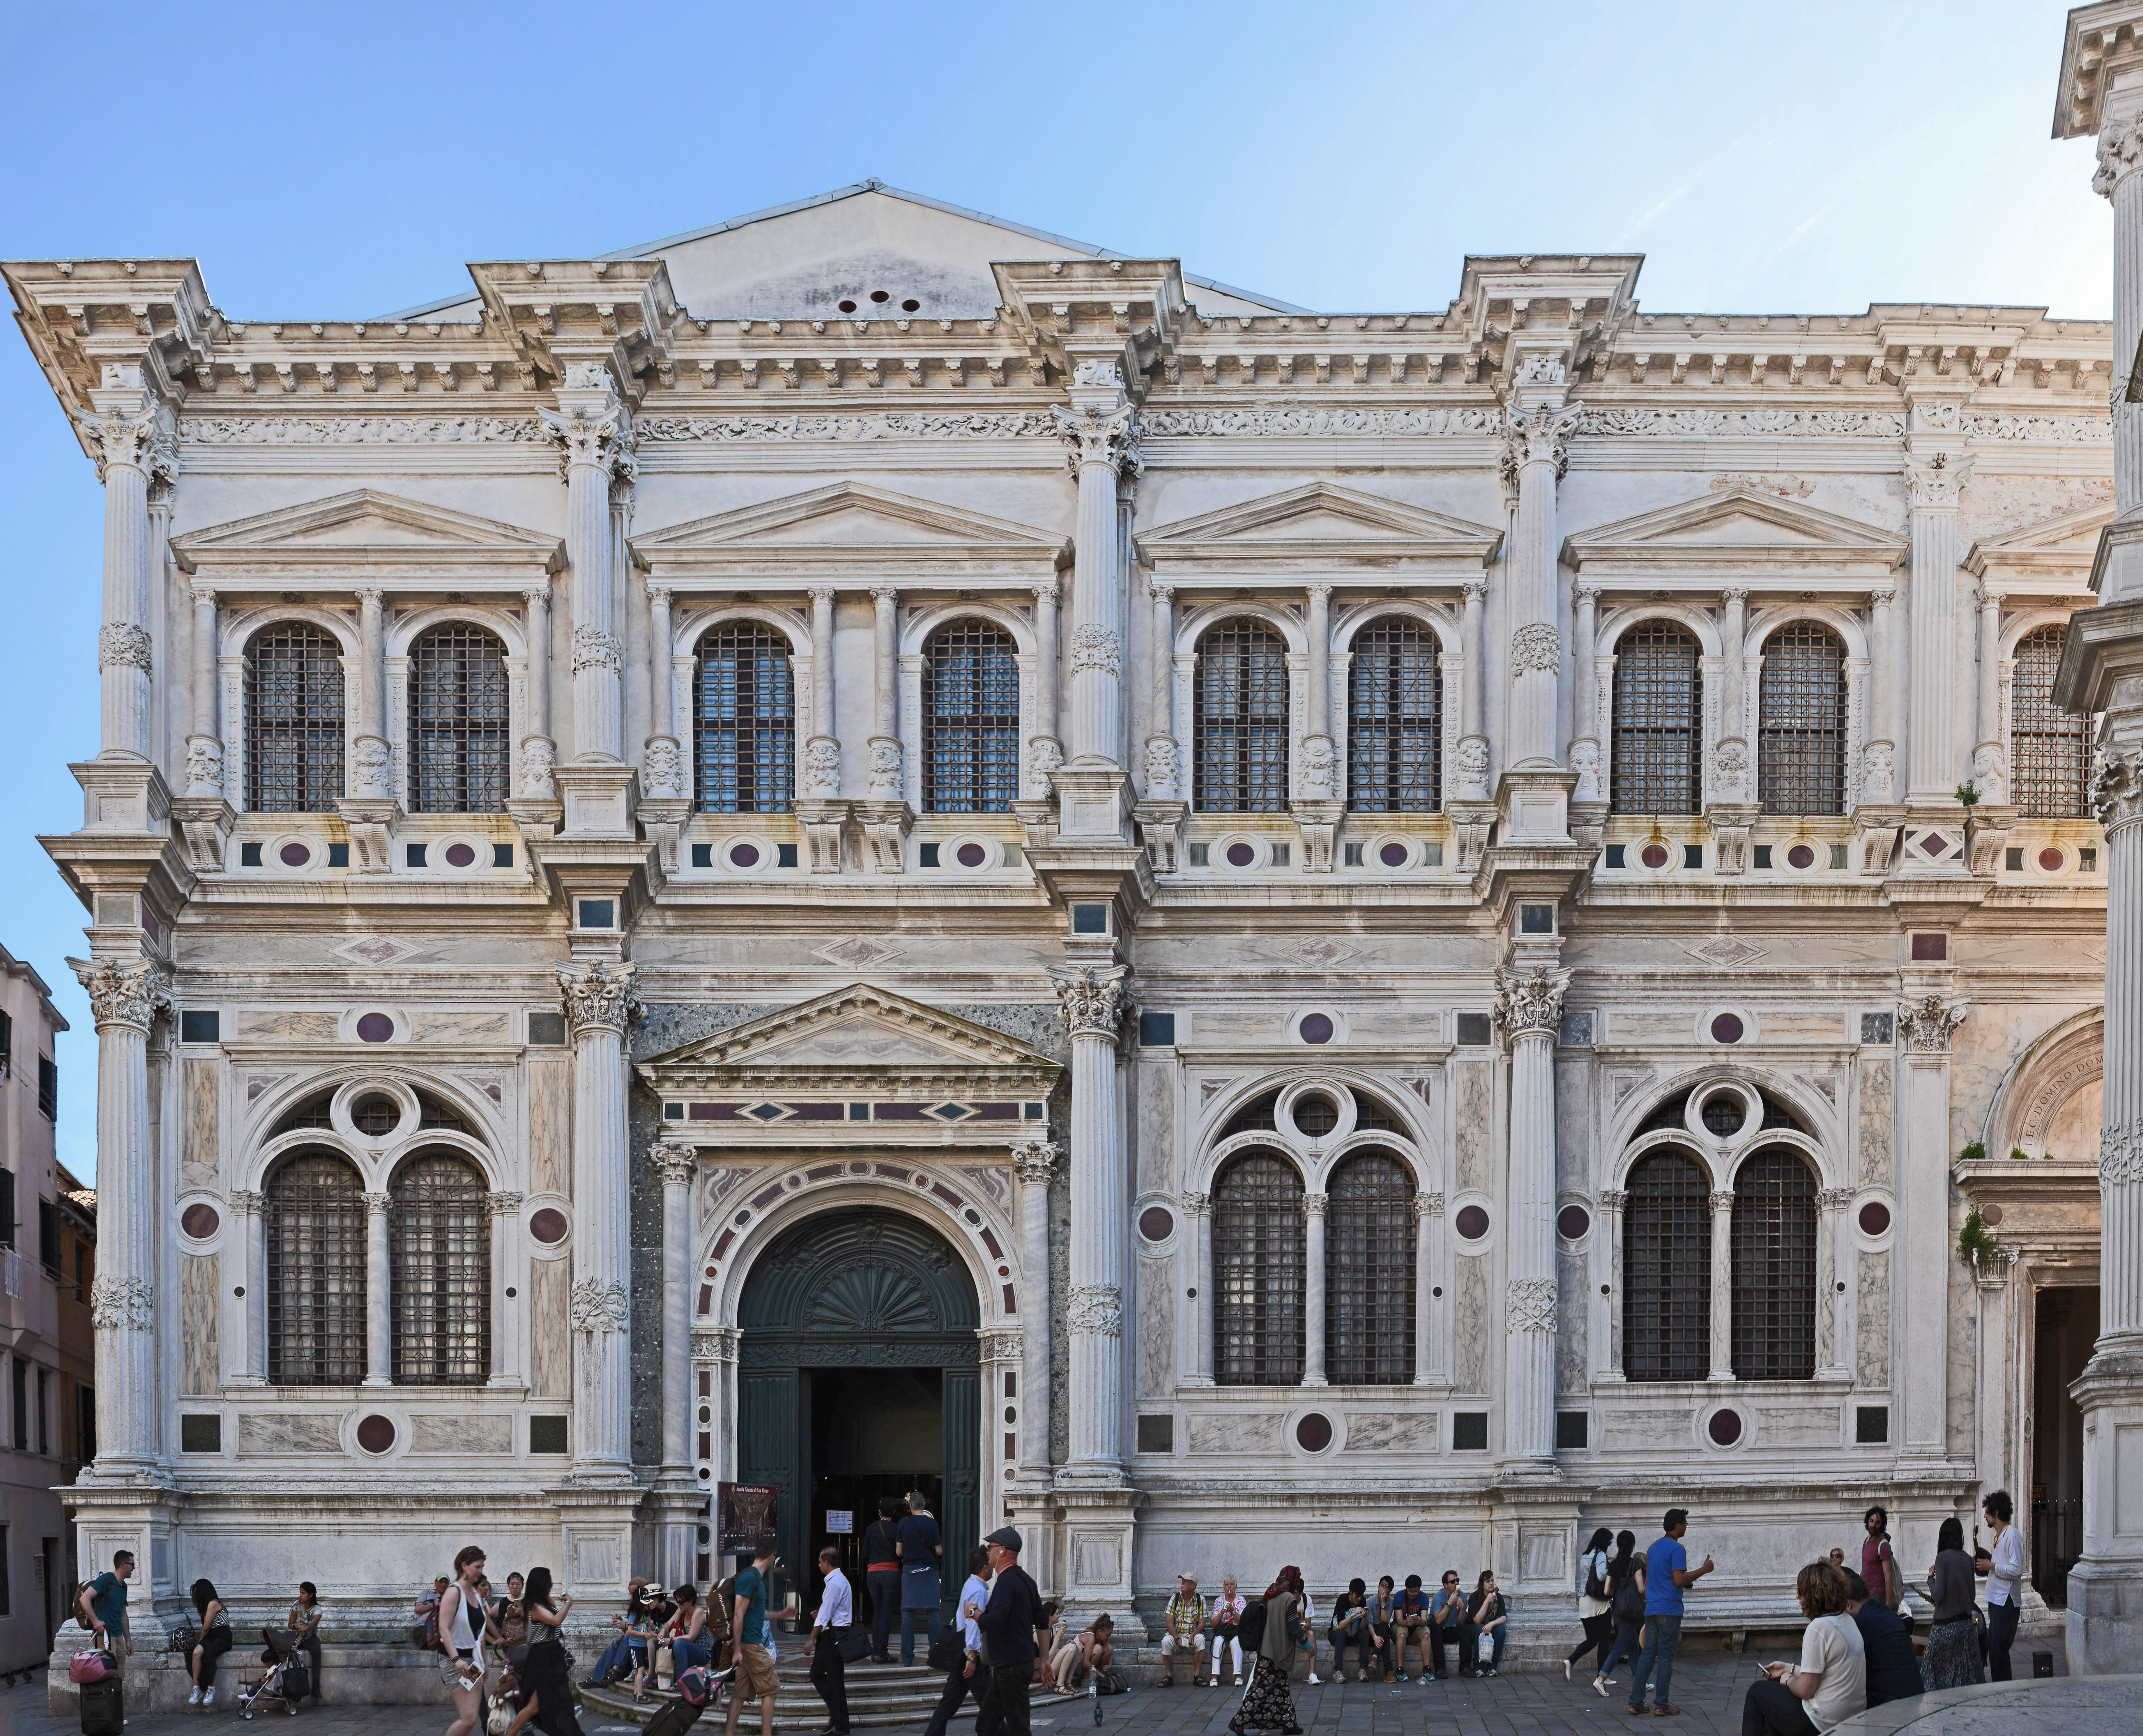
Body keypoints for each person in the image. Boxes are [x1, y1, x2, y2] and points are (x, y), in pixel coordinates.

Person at [1744, 1560, 1866, 1736]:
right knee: (1773, 1697)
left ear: (1813, 1596)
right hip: (1851, 1718)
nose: (1800, 1600)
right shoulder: (1847, 1621)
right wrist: (1788, 1668)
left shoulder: (1818, 1628)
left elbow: (1805, 1690)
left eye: (1802, 1595)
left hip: (1823, 1723)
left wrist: (1786, 1678)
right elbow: (1825, 1673)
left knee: (1756, 1693)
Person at [1627, 1508, 1713, 1717]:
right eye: (1685, 1524)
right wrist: (1705, 1569)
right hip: (1669, 1610)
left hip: (1652, 1609)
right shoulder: (1677, 1549)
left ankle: (1636, 1702)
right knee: (1665, 1657)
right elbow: (1678, 1580)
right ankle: (1662, 1704)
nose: (1686, 1527)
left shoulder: (1654, 1547)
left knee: (1647, 1655)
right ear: (1678, 1526)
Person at [975, 1526, 1048, 1736]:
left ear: (1003, 1551)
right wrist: (1044, 1660)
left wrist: (975, 1613)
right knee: (986, 1725)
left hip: (1012, 1668)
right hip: (1010, 1667)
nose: (988, 1551)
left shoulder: (1006, 1583)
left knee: (1018, 1729)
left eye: (991, 1547)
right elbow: (1042, 1621)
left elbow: (994, 1622)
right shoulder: (1027, 1581)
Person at [505, 1566, 581, 1736]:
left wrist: (548, 1595)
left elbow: (554, 1611)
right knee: (535, 1707)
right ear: (542, 1584)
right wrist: (569, 1603)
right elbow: (556, 1621)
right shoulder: (535, 1607)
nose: (552, 1585)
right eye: (549, 1582)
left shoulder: (540, 1603)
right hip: (543, 1658)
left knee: (537, 1706)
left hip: (550, 1656)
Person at [925, 1546, 992, 1736]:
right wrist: (972, 1657)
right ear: (985, 1568)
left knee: (950, 1701)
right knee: (989, 1703)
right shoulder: (978, 1590)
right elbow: (972, 1625)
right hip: (969, 1654)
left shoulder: (970, 1585)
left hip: (963, 1651)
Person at [1228, 1566, 1304, 1736]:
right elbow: (1294, 1627)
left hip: (1267, 1649)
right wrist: (1308, 1646)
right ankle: (1238, 1722)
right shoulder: (1289, 1599)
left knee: (1282, 1690)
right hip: (1275, 1653)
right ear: (1293, 1581)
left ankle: (1289, 1723)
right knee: (1260, 1690)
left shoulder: (1272, 1594)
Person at [1922, 1517, 1985, 1691]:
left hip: (1945, 1627)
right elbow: (1971, 1597)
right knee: (1964, 1677)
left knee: (1936, 1677)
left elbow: (1938, 1595)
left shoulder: (1942, 1558)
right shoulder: (1968, 1560)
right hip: (1965, 1627)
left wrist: (1930, 1579)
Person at [725, 1543, 782, 1736]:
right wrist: (738, 1649)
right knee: (771, 1689)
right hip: (750, 1645)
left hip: (748, 1644)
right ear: (771, 1556)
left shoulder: (755, 1578)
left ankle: (729, 1734)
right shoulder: (750, 1578)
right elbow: (739, 1615)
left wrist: (781, 1614)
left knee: (740, 1693)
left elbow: (757, 1613)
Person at [1842, 1569, 1919, 1708]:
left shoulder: (1859, 1625)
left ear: (1848, 1605)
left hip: (1889, 1707)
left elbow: (1843, 1677)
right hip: (1915, 1697)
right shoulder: (1889, 1614)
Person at [440, 1544, 491, 1736]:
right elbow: (443, 1627)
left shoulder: (477, 1595)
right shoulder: (454, 1592)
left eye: (482, 1567)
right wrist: (456, 1659)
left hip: (474, 1663)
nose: (481, 1571)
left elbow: (480, 1634)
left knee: (471, 1720)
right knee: (469, 1717)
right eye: (477, 1567)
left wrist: (484, 1663)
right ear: (464, 1566)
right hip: (455, 1662)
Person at [1974, 1490, 2023, 1681]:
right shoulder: (2000, 1535)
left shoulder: (2012, 1536)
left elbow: (2017, 1569)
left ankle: (2003, 1691)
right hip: (1997, 1599)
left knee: (1999, 1651)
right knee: (1994, 1650)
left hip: (2007, 1601)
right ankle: (1999, 1689)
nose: (1985, 1516)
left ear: (1996, 1513)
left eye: (1987, 1512)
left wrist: (1992, 1566)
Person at [809, 1549, 854, 1736]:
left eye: (820, 1562)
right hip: (833, 1635)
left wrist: (810, 1639)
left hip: (833, 1637)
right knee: (822, 1676)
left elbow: (824, 1617)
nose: (818, 1565)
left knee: (831, 1680)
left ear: (827, 1562)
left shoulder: (835, 1583)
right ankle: (837, 1719)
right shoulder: (837, 1581)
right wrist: (820, 1612)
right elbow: (830, 1610)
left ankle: (841, 1723)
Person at [897, 1490, 944, 1666]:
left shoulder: (903, 1524)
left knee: (908, 1615)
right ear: (924, 1506)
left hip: (910, 1573)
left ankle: (908, 1657)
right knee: (933, 1614)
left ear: (910, 1507)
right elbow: (939, 1551)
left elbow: (899, 1552)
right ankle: (935, 1655)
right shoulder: (932, 1524)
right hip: (929, 1572)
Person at [1596, 1530, 1643, 1695]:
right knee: (1620, 1647)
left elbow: (1607, 1591)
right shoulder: (1635, 1564)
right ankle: (1601, 1678)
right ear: (1632, 1546)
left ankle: (1640, 1681)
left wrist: (1620, 1591)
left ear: (1617, 1546)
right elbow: (1641, 1588)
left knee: (1634, 1646)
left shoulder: (1613, 1565)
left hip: (1617, 1610)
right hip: (1631, 1611)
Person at [1567, 1526, 1616, 1685]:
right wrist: (1611, 1568)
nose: (1609, 1545)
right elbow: (1602, 1576)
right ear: (1604, 1542)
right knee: (1604, 1641)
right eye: (1609, 1542)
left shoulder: (1585, 1555)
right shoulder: (1601, 1555)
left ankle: (1570, 1661)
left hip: (1585, 1601)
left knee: (1593, 1640)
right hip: (1599, 1603)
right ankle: (1602, 1676)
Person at [75, 1549, 134, 1676]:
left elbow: (124, 1614)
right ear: (123, 1565)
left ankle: (117, 1696)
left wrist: (128, 1641)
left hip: (118, 1637)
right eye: (132, 1565)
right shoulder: (105, 1580)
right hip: (104, 1637)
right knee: (106, 1675)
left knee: (119, 1675)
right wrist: (96, 1622)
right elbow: (84, 1598)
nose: (134, 1569)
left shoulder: (123, 1586)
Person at [862, 1497, 902, 1664]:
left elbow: (865, 1555)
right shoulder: (897, 1529)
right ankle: (882, 1653)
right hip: (891, 1573)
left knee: (877, 1613)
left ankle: (875, 1651)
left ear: (879, 1512)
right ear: (893, 1513)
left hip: (872, 1574)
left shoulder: (871, 1529)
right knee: (886, 1614)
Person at [186, 1577, 232, 1708]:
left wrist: (202, 1640)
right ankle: (197, 1688)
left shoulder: (213, 1604)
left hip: (222, 1636)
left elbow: (206, 1627)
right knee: (196, 1653)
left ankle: (211, 1688)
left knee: (210, 1653)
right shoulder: (206, 1606)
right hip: (212, 1636)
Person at [1161, 1572, 1207, 1686]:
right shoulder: (1175, 1599)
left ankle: (1197, 1676)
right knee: (1166, 1642)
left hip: (1191, 1639)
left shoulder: (1201, 1600)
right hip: (1177, 1638)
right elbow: (1170, 1625)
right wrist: (1177, 1639)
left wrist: (1193, 1635)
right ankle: (1169, 1676)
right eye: (1183, 1581)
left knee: (1201, 1639)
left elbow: (1202, 1624)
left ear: (1194, 1586)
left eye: (1186, 1581)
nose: (1183, 1583)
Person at [1428, 1569, 1475, 1680]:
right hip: (1438, 1630)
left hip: (1453, 1629)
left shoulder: (1463, 1596)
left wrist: (1463, 1608)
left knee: (1466, 1629)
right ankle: (1440, 1669)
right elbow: (1438, 1620)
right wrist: (1449, 1604)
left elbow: (1462, 1621)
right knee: (1436, 1628)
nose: (1457, 1584)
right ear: (1446, 1585)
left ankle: (1465, 1668)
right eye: (1453, 1582)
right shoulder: (1439, 1597)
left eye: (1457, 1581)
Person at [1052, 1613, 1113, 1693]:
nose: (1109, 1638)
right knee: (1098, 1649)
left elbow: (1110, 1654)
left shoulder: (1101, 1638)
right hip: (1075, 1666)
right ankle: (1087, 1679)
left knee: (1109, 1648)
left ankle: (1093, 1677)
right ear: (1100, 1632)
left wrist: (1109, 1665)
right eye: (1107, 1635)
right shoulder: (1091, 1636)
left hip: (1085, 1666)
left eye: (1110, 1635)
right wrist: (1101, 1675)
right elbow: (1086, 1663)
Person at [1328, 1578, 1375, 1682]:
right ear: (1350, 1592)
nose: (1359, 1599)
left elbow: (1361, 1628)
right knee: (1341, 1634)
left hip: (1353, 1634)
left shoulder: (1362, 1602)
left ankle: (1363, 1671)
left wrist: (1365, 1617)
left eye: (1361, 1596)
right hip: (1337, 1635)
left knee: (1365, 1633)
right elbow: (1340, 1626)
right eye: (1357, 1596)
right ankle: (1337, 1672)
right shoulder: (1342, 1600)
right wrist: (1353, 1615)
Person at [287, 1582, 324, 1703]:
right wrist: (295, 1626)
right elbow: (290, 1624)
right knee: (286, 1651)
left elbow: (314, 1623)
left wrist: (307, 1627)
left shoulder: (317, 1609)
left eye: (303, 1593)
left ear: (311, 1595)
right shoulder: (297, 1606)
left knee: (317, 1653)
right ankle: (290, 1684)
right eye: (300, 1593)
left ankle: (316, 1686)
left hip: (310, 1638)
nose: (301, 1596)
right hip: (296, 1636)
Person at [1392, 1573, 1432, 1682]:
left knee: (1426, 1632)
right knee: (1402, 1632)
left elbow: (1425, 1621)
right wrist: (1406, 1622)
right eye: (1410, 1591)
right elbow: (1399, 1621)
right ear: (1406, 1589)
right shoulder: (1400, 1596)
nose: (1412, 1594)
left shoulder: (1424, 1597)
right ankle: (1400, 1669)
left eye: (1415, 1591)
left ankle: (1426, 1669)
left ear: (1419, 1589)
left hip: (1416, 1629)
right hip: (1402, 1627)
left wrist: (1420, 1621)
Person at [1467, 1571, 1508, 1678]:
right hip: (1476, 1629)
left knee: (1501, 1631)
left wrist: (1492, 1624)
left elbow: (1503, 1618)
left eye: (1493, 1581)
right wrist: (1487, 1602)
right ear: (1482, 1584)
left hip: (1491, 1628)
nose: (1491, 1584)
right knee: (1480, 1629)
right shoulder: (1475, 1598)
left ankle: (1492, 1668)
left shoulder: (1499, 1598)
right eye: (1488, 1581)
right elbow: (1477, 1620)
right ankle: (1478, 1668)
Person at [1209, 1577, 1248, 1687]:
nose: (1229, 1587)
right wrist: (1222, 1612)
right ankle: (1214, 1676)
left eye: (1232, 1584)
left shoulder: (1241, 1600)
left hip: (1235, 1630)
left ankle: (1238, 1675)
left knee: (1236, 1642)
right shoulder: (1219, 1601)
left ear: (1236, 1587)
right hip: (1222, 1631)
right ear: (1224, 1588)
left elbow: (1244, 1622)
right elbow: (1213, 1624)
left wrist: (1233, 1611)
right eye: (1227, 1585)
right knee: (1218, 1642)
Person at [1861, 1506, 1900, 1612]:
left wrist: (1889, 1603)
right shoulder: (1867, 1542)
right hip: (1866, 1597)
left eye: (1878, 1523)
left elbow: (1888, 1576)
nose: (1874, 1525)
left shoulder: (1883, 1546)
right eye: (1872, 1521)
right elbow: (1865, 1569)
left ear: (1882, 1525)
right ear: (1867, 1522)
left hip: (1878, 1598)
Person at [1367, 1576, 1399, 1683]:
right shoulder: (1371, 1602)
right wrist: (1375, 1637)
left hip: (1383, 1630)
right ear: (1378, 1586)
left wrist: (1384, 1603)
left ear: (1390, 1591)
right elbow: (1369, 1624)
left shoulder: (1390, 1603)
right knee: (1386, 1634)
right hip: (1372, 1634)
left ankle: (1375, 1657)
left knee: (1385, 1628)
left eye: (1387, 1587)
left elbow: (1385, 1621)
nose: (1384, 1589)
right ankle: (1388, 1672)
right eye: (1382, 1585)